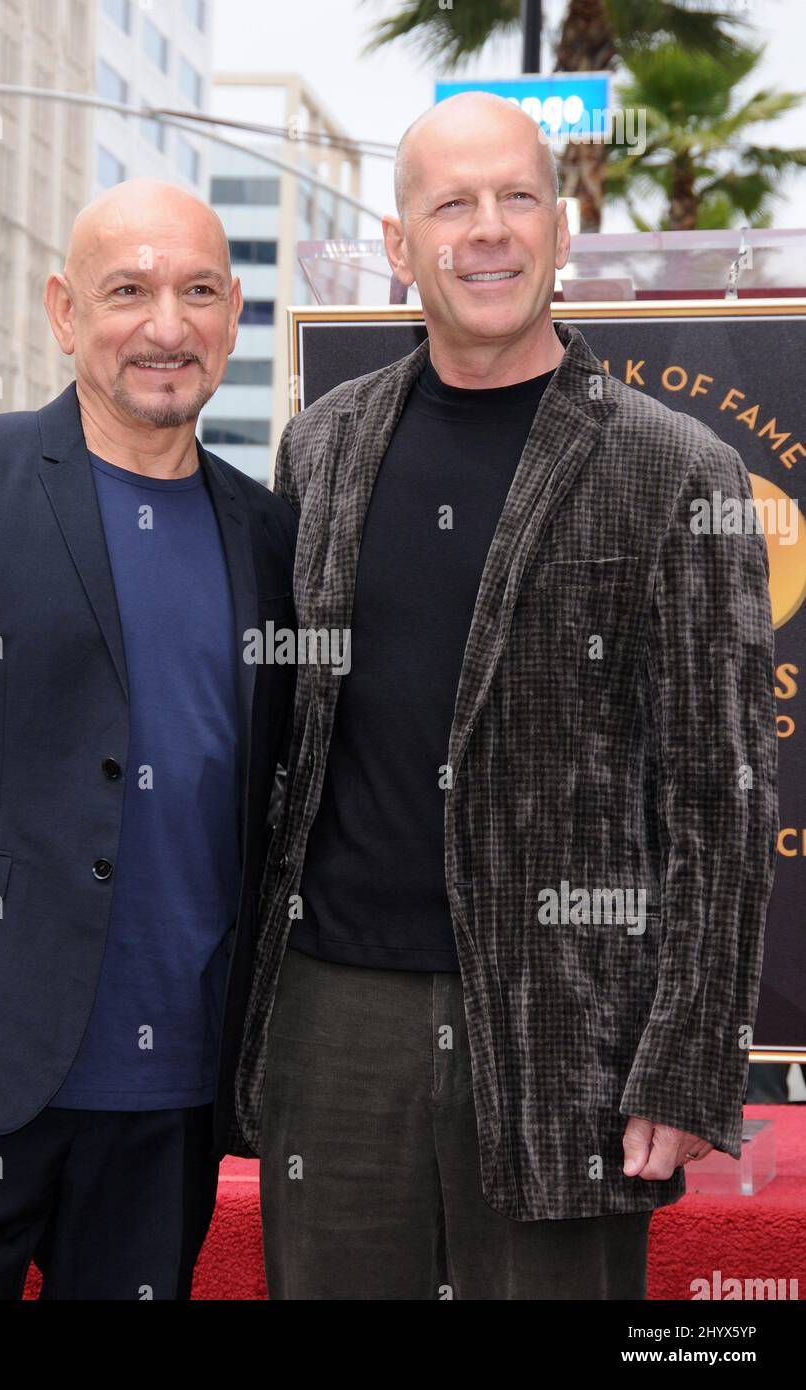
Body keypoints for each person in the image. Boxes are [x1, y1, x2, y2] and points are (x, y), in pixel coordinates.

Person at [236, 92, 778, 1300]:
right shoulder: (319, 447)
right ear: (396, 244)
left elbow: (721, 798)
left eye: (515, 197)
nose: (487, 229)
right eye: (451, 203)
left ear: (562, 226)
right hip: (337, 1015)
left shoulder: (676, 467)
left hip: (563, 1023)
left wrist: (687, 1062)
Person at [0, 179, 297, 1299]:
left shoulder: (268, 531)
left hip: (170, 1094)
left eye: (199, 292)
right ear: (64, 311)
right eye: (128, 291)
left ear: (231, 320)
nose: (165, 326)